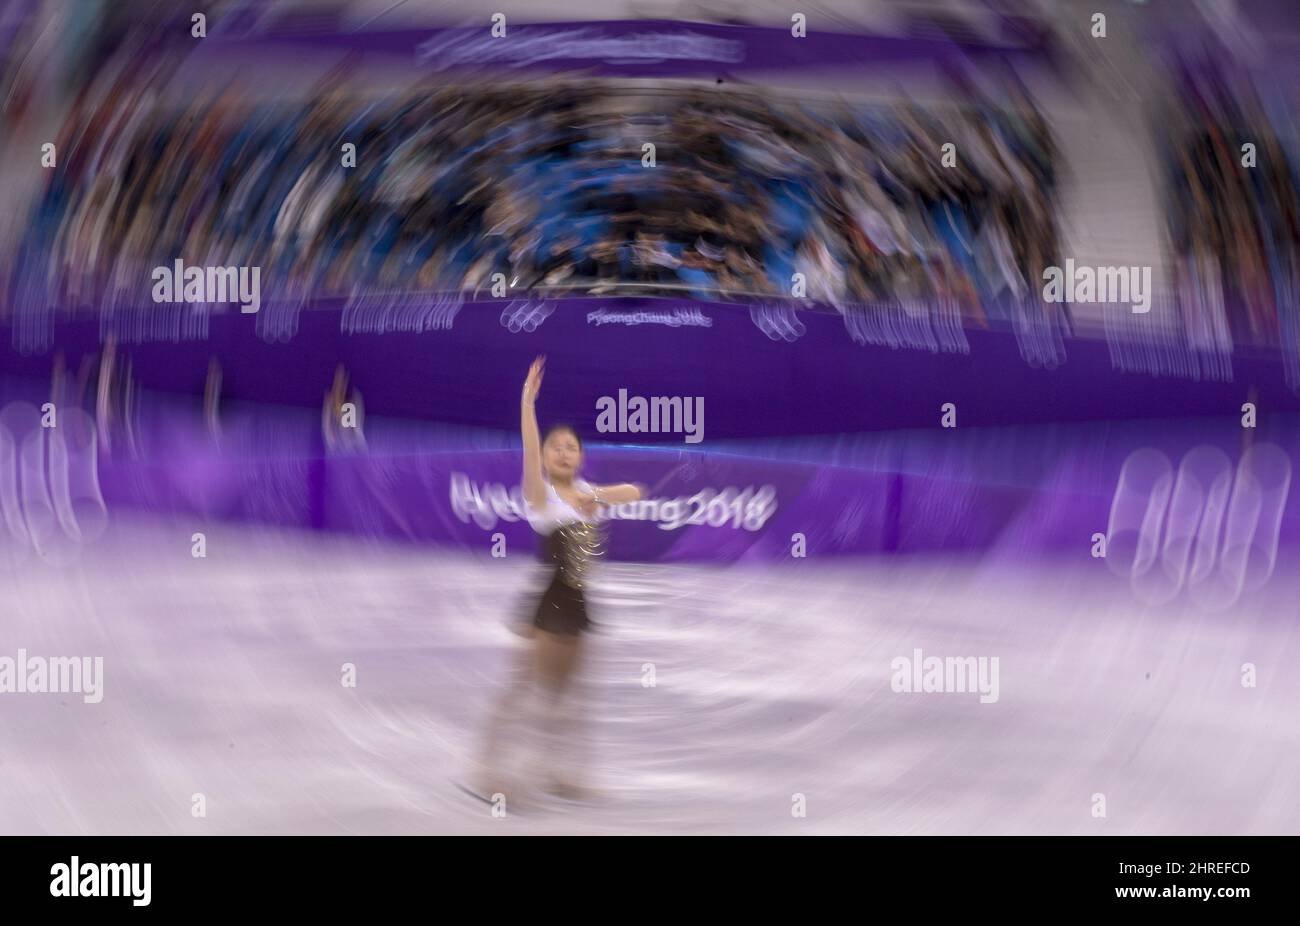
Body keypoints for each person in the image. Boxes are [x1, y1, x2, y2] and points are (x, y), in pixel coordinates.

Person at [475, 356, 643, 804]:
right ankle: (490, 771)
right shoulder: (541, 496)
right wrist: (527, 404)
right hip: (550, 602)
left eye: (571, 446)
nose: (563, 452)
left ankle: (558, 774)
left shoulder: (587, 493)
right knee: (528, 689)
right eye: (556, 447)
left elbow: (634, 491)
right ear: (547, 459)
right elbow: (529, 455)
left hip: (579, 603)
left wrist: (597, 497)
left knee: (571, 695)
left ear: (582, 456)